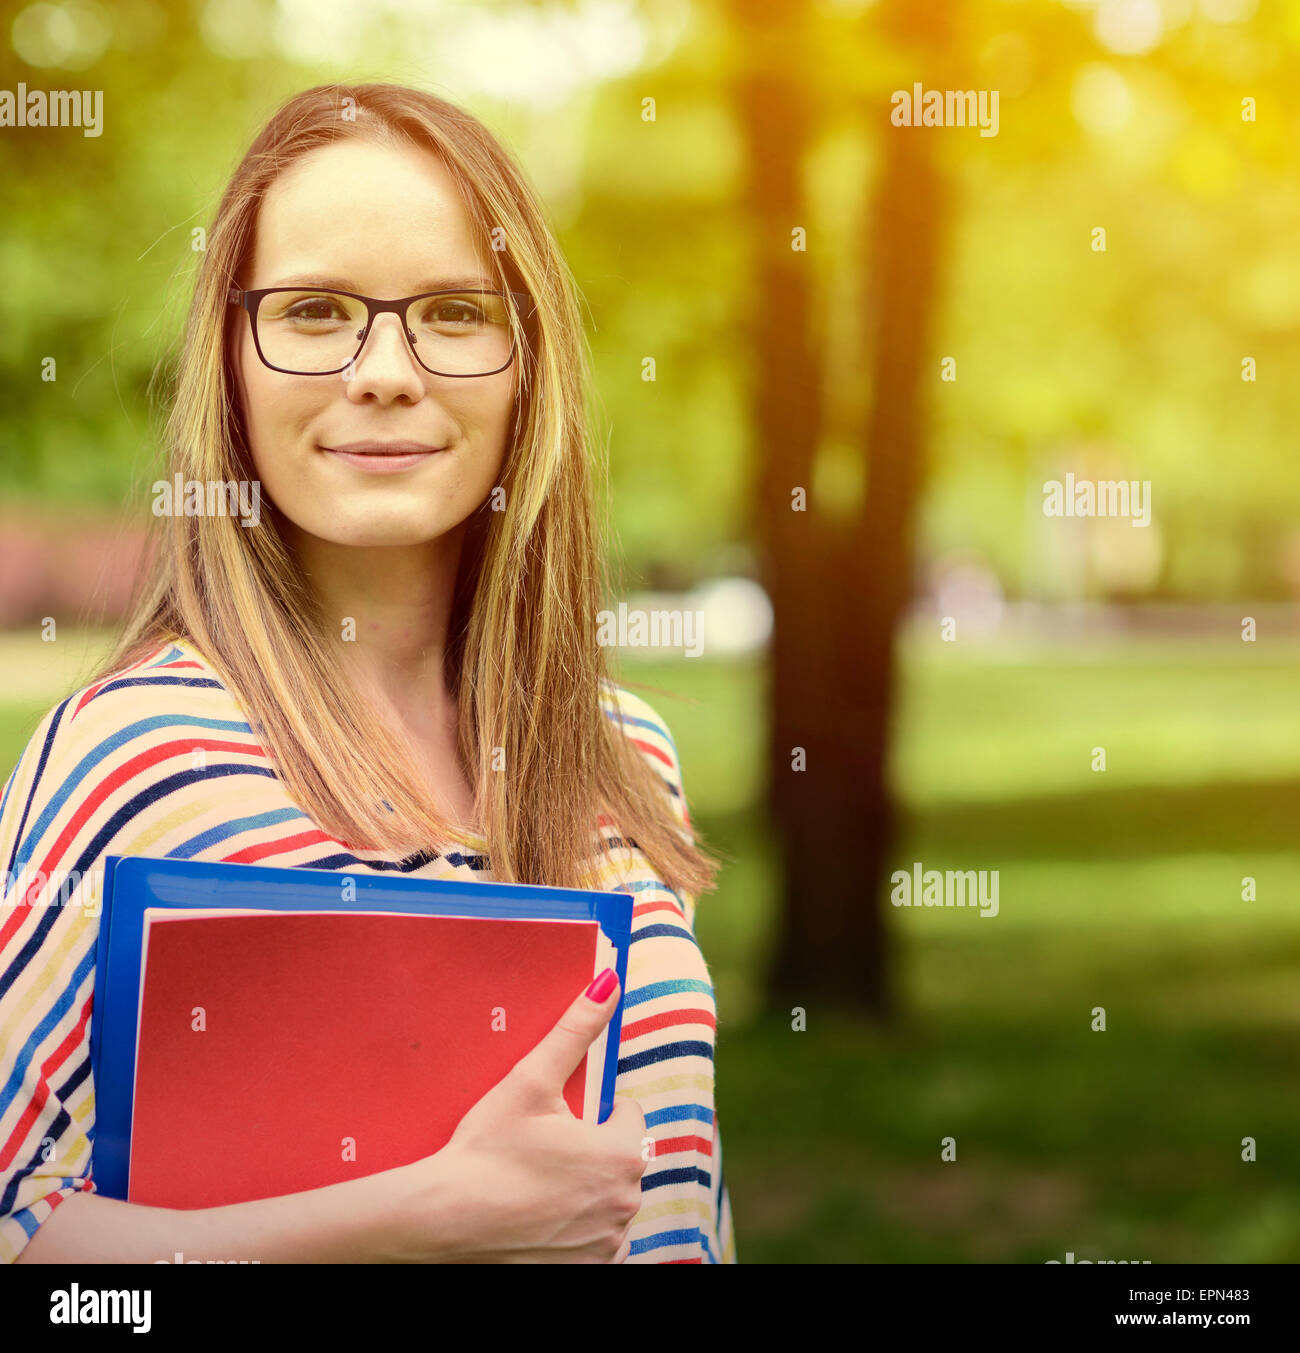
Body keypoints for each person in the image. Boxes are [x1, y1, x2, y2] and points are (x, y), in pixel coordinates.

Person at [0, 82, 735, 1264]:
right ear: (230, 363)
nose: (385, 370)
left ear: (526, 367)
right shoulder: (132, 757)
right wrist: (416, 1224)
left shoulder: (624, 756)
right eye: (313, 310)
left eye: (451, 312)